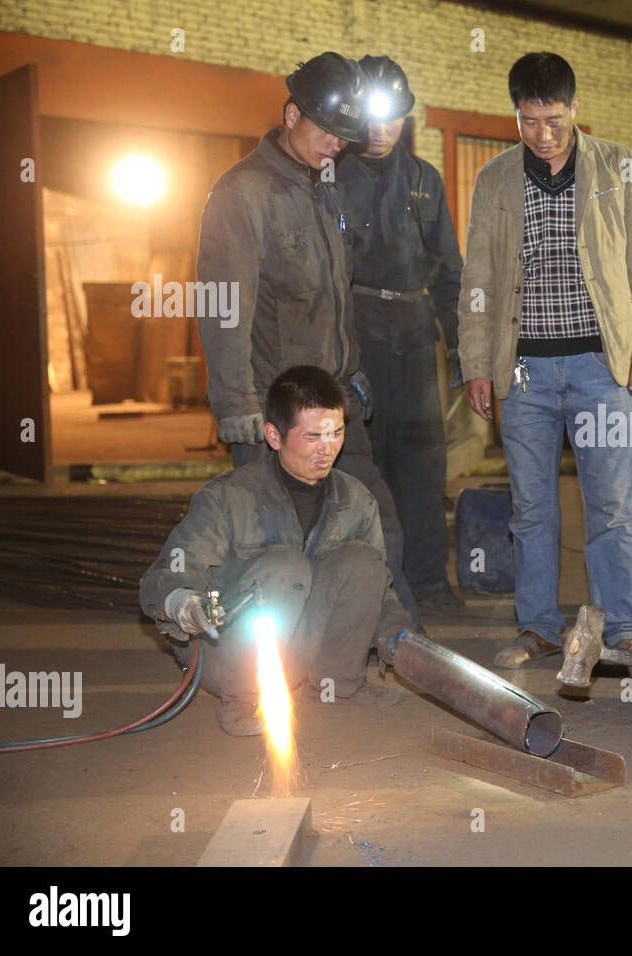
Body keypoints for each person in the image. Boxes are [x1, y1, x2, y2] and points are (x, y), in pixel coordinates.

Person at [458, 52, 632, 667]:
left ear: (576, 109)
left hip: (600, 371)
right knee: (530, 511)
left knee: (611, 506)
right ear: (515, 114)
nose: (542, 135)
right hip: (522, 376)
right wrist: (476, 361)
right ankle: (540, 626)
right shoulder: (495, 178)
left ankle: (620, 626)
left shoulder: (616, 165)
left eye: (553, 119)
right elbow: (478, 276)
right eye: (528, 121)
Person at [195, 51, 419, 617]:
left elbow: (337, 295)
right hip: (275, 409)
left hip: (335, 397)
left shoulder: (324, 189)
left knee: (375, 520)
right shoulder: (242, 194)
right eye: (326, 132)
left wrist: (354, 369)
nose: (335, 147)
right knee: (270, 545)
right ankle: (253, 662)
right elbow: (224, 312)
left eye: (344, 137)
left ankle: (383, 643)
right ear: (292, 113)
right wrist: (236, 408)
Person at [139, 366, 419, 736]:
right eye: (313, 435)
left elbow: (379, 594)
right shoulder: (228, 498)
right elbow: (161, 579)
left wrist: (399, 636)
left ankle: (338, 686)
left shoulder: (356, 500)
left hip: (303, 642)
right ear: (274, 435)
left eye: (336, 432)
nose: (328, 447)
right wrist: (181, 603)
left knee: (363, 563)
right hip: (227, 651)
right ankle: (244, 699)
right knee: (285, 566)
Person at [337, 55, 465, 613]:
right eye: (371, 115)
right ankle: (375, 590)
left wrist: (464, 346)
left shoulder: (423, 182)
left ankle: (429, 584)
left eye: (393, 116)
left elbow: (450, 272)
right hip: (354, 345)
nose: (382, 129)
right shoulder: (328, 177)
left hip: (415, 343)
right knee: (361, 470)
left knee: (421, 465)